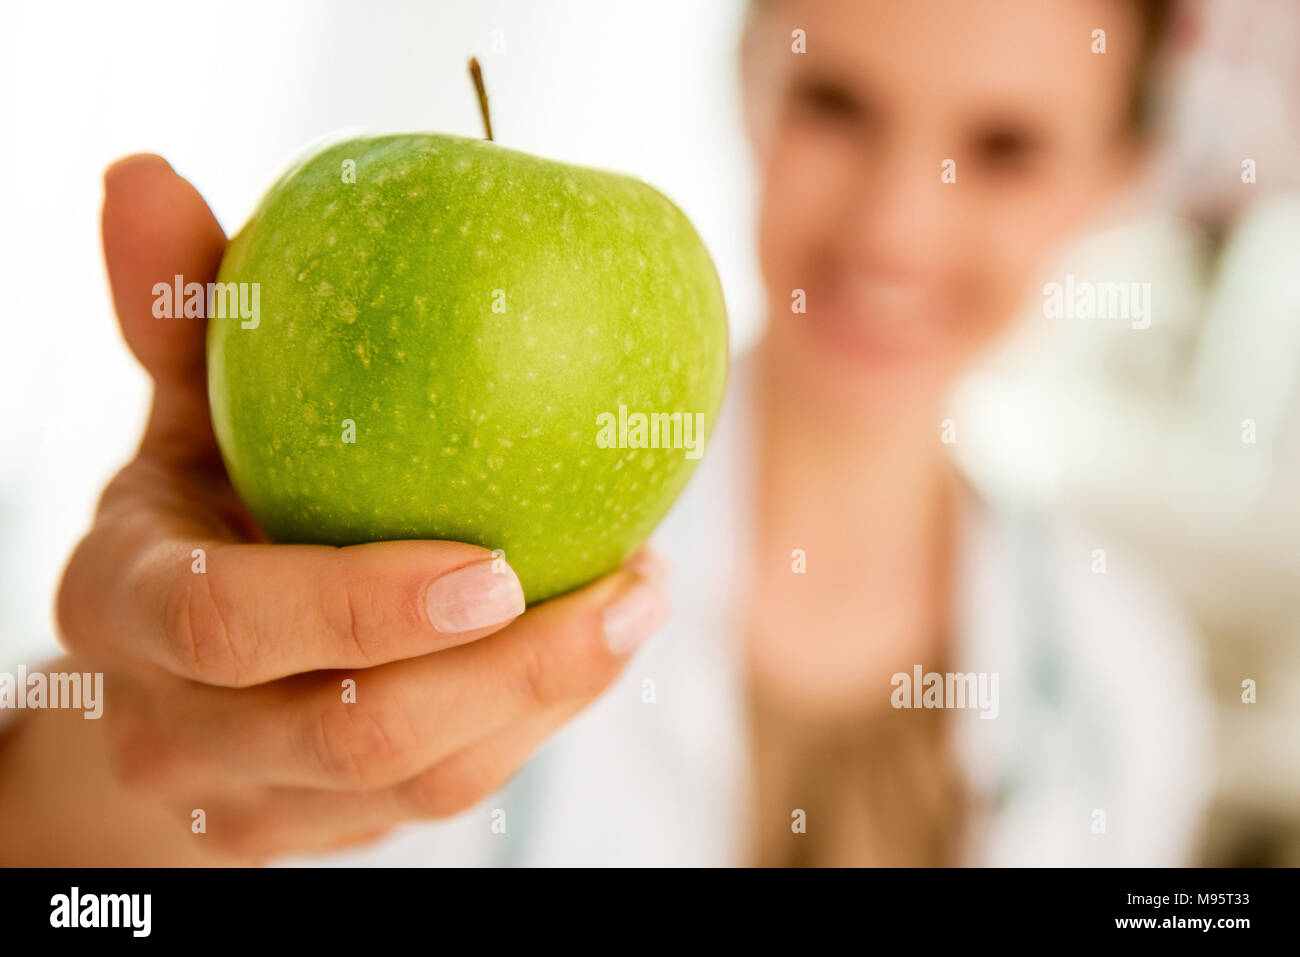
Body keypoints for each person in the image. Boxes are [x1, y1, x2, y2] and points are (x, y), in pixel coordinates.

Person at [0, 0, 1211, 866]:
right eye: (835, 103)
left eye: (1005, 149)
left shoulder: (1129, 686)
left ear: (1121, 178)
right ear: (748, 81)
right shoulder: (479, 540)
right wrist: (139, 744)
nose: (895, 224)